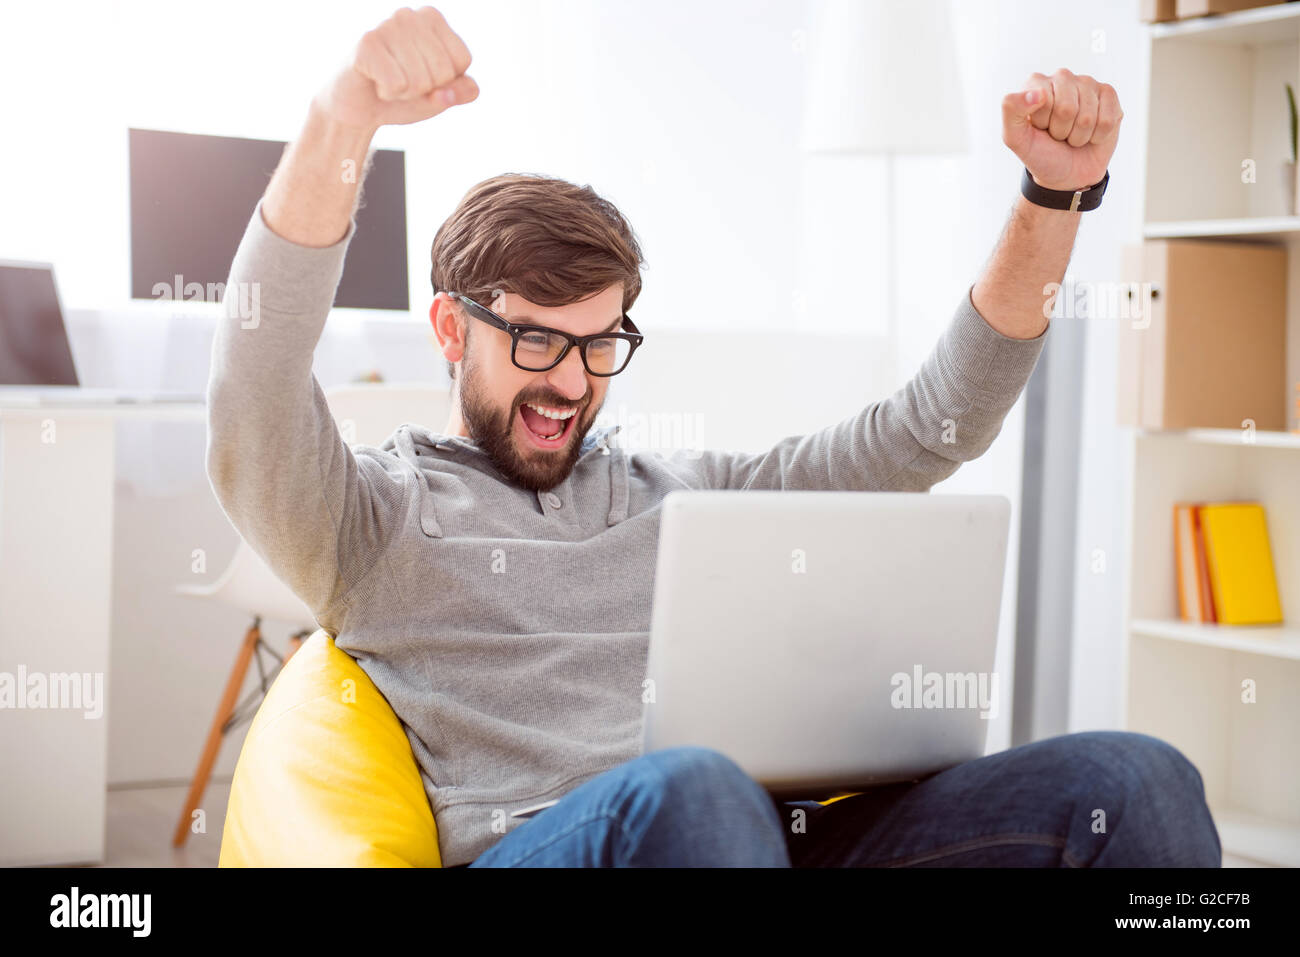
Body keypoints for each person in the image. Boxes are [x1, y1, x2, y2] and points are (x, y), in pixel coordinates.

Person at [206, 5, 1220, 867]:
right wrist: (344, 119)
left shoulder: (689, 492)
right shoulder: (372, 517)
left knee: (1133, 778)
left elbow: (927, 432)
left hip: (774, 832)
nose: (569, 380)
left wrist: (1053, 196)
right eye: (534, 341)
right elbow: (254, 397)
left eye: (600, 344)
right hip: (575, 840)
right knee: (694, 791)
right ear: (447, 329)